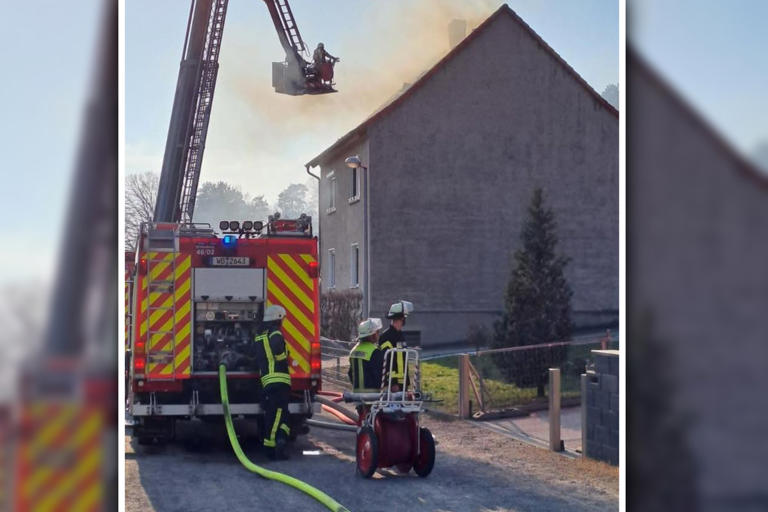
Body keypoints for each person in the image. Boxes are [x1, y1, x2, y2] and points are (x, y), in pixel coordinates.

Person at [253, 304, 292, 459]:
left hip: (267, 380)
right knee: (278, 414)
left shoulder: (259, 336)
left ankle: (279, 439)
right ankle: (272, 448)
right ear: (278, 318)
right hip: (279, 379)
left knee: (278, 414)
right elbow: (278, 351)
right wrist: (284, 357)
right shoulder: (275, 333)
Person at [378, 301, 414, 391]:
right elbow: (385, 362)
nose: (404, 320)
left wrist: (406, 382)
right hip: (393, 385)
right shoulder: (385, 337)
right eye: (404, 317)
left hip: (403, 383)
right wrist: (393, 383)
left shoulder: (401, 335)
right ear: (401, 318)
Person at [348, 318, 385, 393]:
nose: (378, 334)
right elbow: (379, 375)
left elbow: (350, 373)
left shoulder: (353, 351)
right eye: (377, 332)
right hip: (372, 395)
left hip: (356, 394)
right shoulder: (375, 351)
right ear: (372, 335)